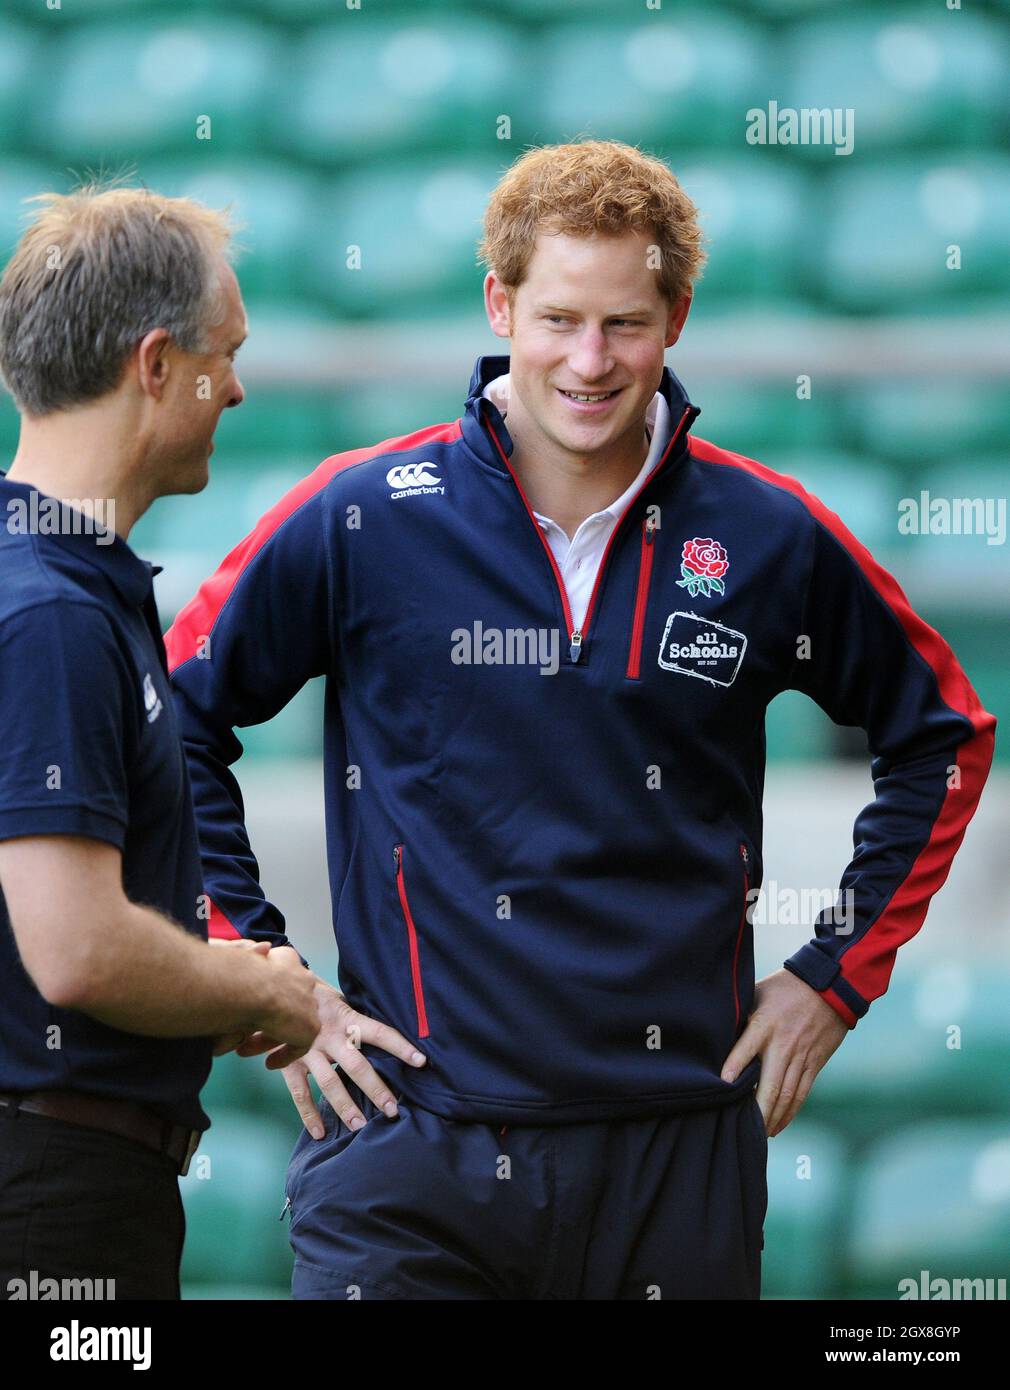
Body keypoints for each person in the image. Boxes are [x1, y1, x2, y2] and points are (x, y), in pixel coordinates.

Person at [166, 140, 997, 1300]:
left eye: (624, 325)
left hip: (675, 1159)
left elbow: (945, 735)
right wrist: (255, 959)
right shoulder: (361, 514)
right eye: (557, 319)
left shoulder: (768, 531)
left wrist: (834, 972)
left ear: (677, 316)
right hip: (410, 1148)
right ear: (499, 302)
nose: (589, 361)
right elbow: (162, 715)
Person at [0, 184, 323, 1301]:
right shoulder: (51, 611)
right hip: (51, 1197)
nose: (234, 386)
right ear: (153, 364)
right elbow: (77, 948)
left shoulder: (59, 582)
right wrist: (257, 991)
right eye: (222, 355)